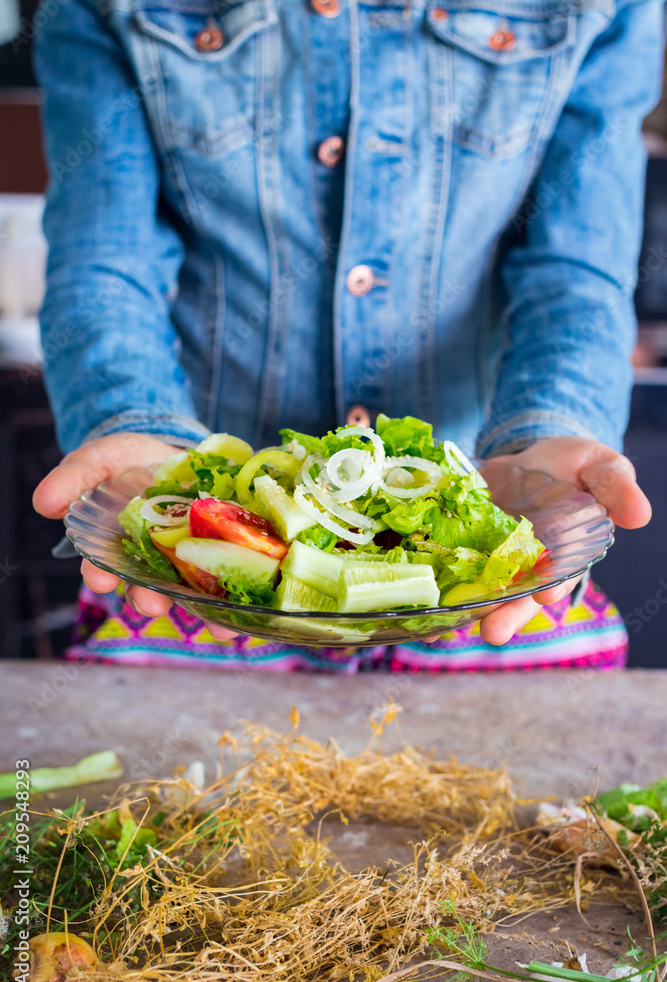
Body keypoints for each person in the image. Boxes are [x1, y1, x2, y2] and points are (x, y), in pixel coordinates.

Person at [31, 0, 660, 669]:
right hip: (192, 586)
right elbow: (106, 263)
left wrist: (549, 428)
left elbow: (573, 272)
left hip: (484, 570)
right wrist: (128, 416)